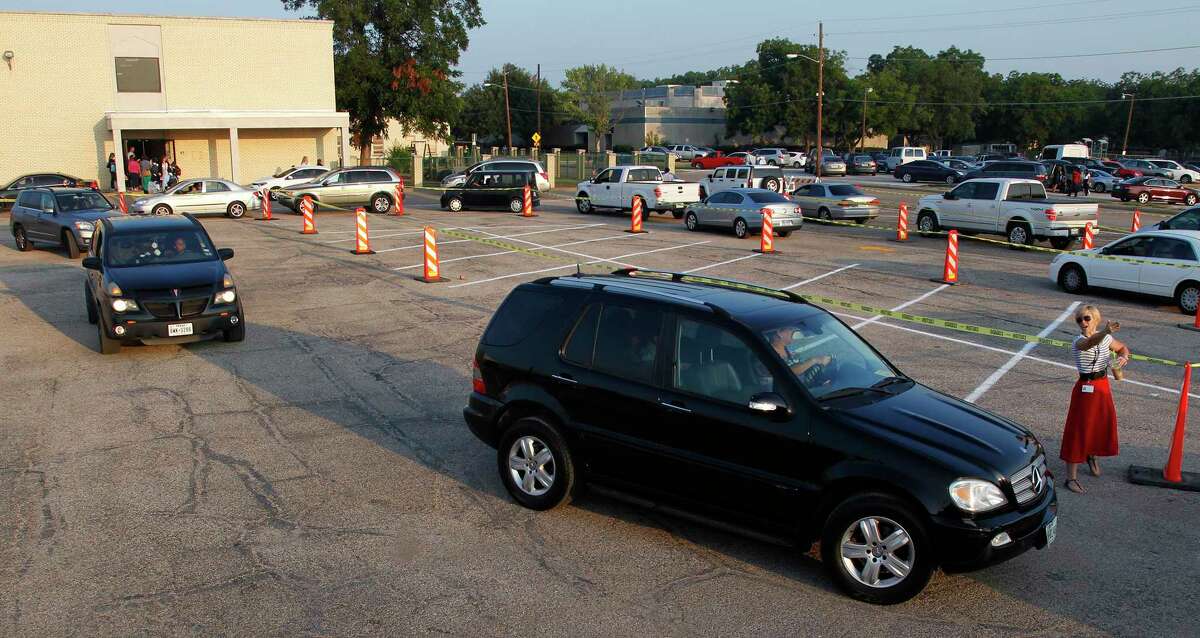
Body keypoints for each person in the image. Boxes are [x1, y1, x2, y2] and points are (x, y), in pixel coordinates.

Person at [1060, 305, 1130, 494]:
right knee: (1078, 429)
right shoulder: (1078, 341)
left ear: (1096, 320)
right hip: (1085, 388)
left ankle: (1091, 455)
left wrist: (1123, 358)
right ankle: (1071, 478)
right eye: (1079, 319)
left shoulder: (1106, 337)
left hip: (1102, 385)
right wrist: (1106, 332)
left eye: (1087, 318)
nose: (1083, 322)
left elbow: (1123, 348)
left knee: (1100, 424)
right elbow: (1089, 344)